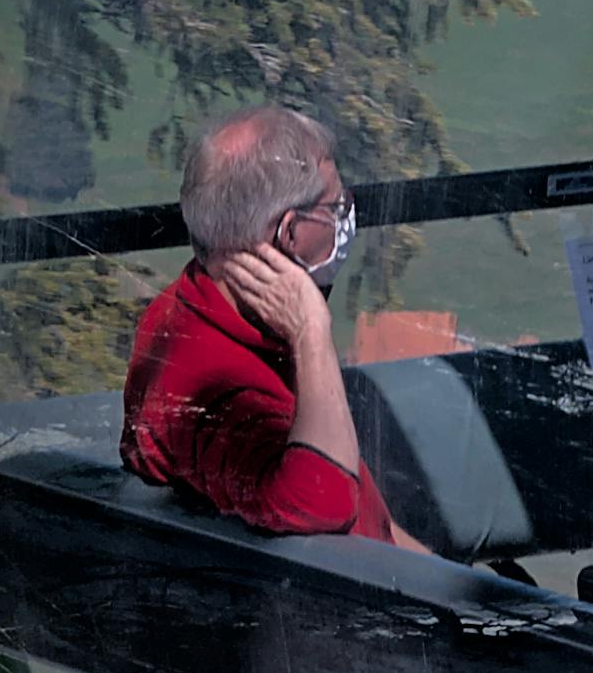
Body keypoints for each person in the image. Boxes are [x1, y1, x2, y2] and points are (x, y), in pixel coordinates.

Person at [123, 106, 411, 543]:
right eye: (335, 206)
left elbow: (372, 526)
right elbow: (322, 501)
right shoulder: (206, 379)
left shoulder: (218, 314)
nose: (346, 216)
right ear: (289, 234)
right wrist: (312, 328)